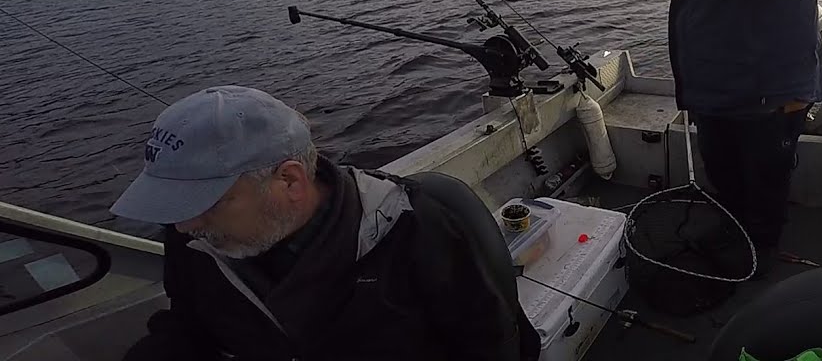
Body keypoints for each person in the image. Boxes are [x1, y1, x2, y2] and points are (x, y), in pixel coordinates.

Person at [111, 84, 539, 361]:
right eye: (174, 205)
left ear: (290, 180)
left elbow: (492, 343)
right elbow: (190, 326)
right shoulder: (194, 236)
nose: (184, 225)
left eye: (207, 202)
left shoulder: (412, 229)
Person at [630, 0, 822, 270]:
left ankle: (760, 265)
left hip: (768, 95)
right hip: (718, 93)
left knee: (764, 189)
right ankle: (737, 237)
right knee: (727, 180)